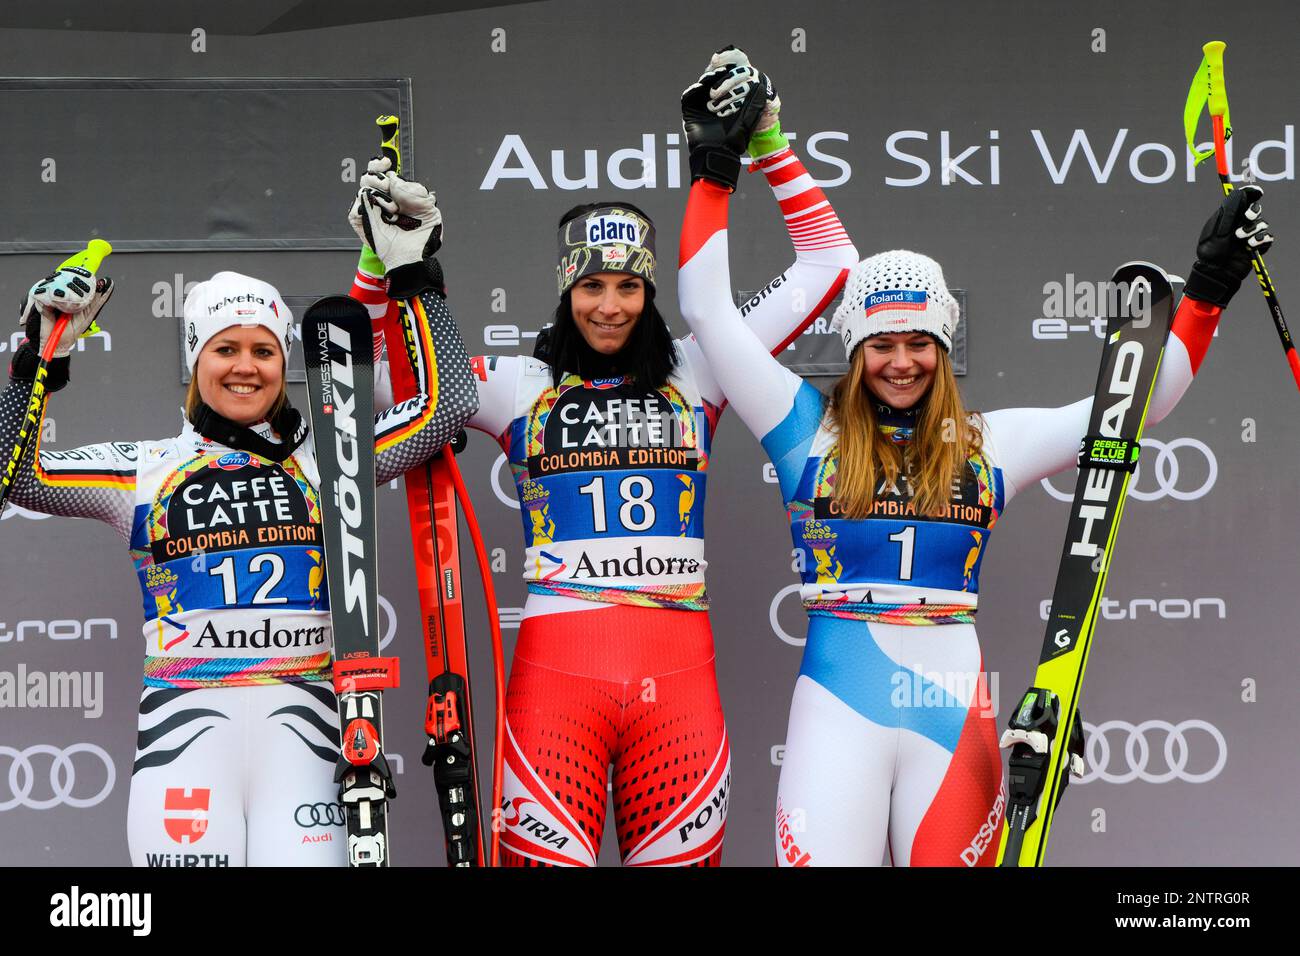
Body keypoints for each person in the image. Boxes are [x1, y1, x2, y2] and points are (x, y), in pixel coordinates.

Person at [678, 154, 1272, 865]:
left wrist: (1209, 290)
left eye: (920, 342)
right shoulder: (802, 422)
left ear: (943, 344)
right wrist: (718, 169)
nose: (902, 362)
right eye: (882, 344)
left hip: (953, 711)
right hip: (837, 714)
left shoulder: (989, 442)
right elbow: (708, 312)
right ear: (854, 348)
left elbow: (1134, 405)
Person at [364, 49, 857, 865]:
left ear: (651, 290)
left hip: (680, 698)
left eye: (629, 287)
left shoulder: (702, 368)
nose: (610, 305)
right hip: (556, 693)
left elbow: (830, 267)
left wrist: (766, 139)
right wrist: (386, 260)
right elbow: (373, 380)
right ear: (565, 290)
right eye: (591, 287)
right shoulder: (520, 384)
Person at [0, 172, 477, 866]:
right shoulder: (145, 470)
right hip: (185, 750)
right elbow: (16, 475)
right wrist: (37, 356)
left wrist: (412, 275)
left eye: (264, 350)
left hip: (310, 747)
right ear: (195, 362)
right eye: (225, 348)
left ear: (287, 364)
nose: (245, 367)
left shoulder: (331, 460)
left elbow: (449, 407)